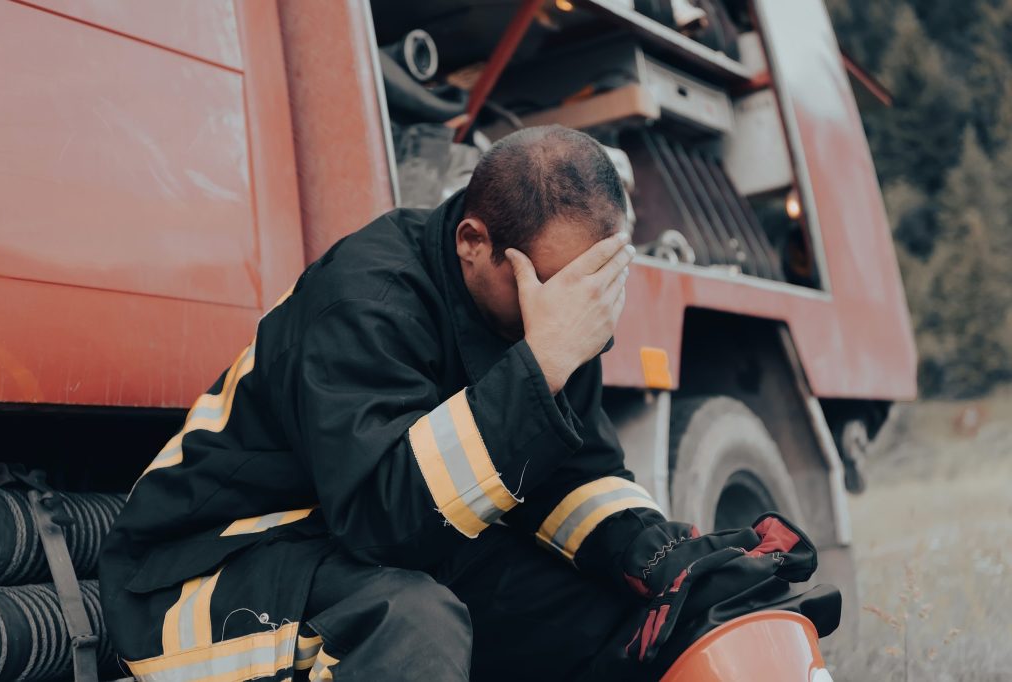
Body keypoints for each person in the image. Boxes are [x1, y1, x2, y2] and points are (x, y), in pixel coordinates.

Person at [99, 125, 827, 682]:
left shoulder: (546, 302)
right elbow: (382, 520)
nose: (574, 313)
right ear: (473, 242)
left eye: (594, 285)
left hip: (361, 556)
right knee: (412, 628)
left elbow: (571, 476)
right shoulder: (366, 298)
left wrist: (659, 555)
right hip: (209, 571)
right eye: (550, 288)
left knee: (626, 618)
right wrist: (542, 364)